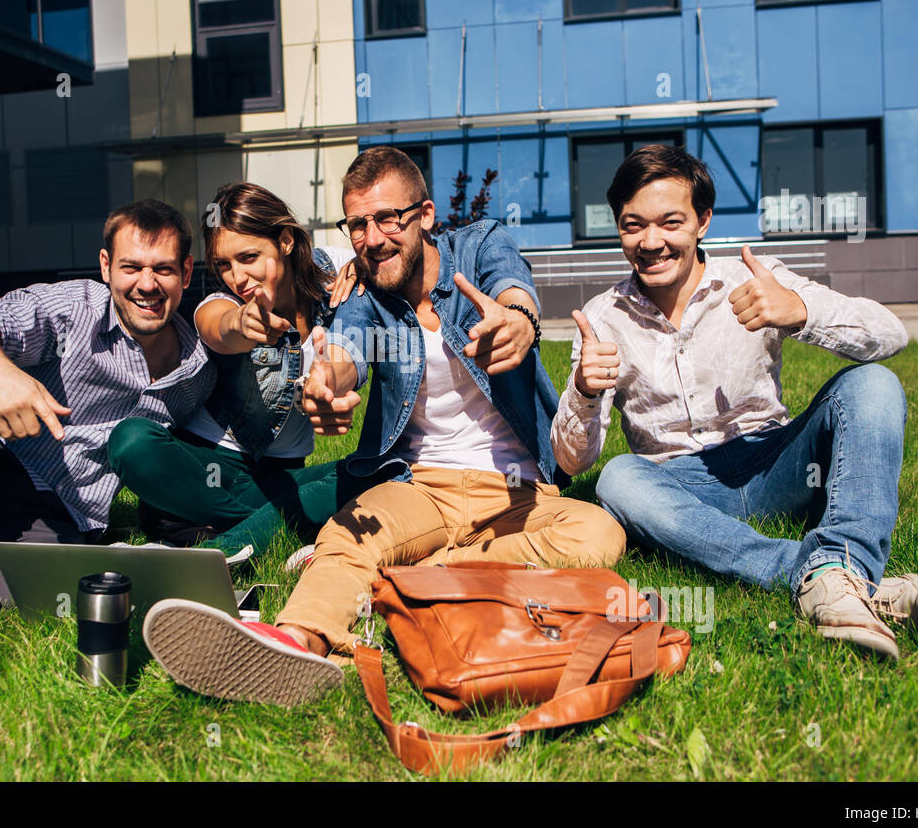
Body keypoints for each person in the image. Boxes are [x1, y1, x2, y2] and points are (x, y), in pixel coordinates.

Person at [142, 146, 627, 706]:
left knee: (600, 534)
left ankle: (420, 574)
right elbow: (346, 347)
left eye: (387, 219)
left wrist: (518, 319)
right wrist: (326, 380)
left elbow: (510, 281)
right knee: (347, 535)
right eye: (358, 226)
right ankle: (290, 641)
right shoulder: (369, 298)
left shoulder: (478, 245)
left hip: (521, 493)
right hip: (422, 487)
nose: (372, 238)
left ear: (424, 215)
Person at [549, 144, 918, 661]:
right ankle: (834, 579)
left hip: (777, 466)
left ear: (703, 221)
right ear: (618, 227)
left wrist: (802, 312)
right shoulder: (602, 316)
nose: (651, 242)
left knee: (874, 383)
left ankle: (838, 568)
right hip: (680, 488)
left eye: (670, 222)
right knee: (617, 479)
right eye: (633, 226)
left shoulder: (753, 278)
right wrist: (586, 392)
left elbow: (889, 333)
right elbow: (572, 462)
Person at [0, 198, 214, 685]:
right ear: (106, 266)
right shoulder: (71, 309)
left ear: (187, 272)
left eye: (163, 269)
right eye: (131, 267)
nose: (146, 284)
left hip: (66, 515)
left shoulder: (198, 368)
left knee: (72, 590)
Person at [107, 182, 389, 558]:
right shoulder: (221, 303)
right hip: (202, 468)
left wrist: (361, 267)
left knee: (381, 472)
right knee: (131, 441)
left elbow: (382, 255)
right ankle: (268, 530)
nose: (236, 277)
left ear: (286, 241)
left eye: (249, 257)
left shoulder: (332, 275)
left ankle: (220, 536)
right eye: (223, 264)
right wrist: (241, 324)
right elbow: (219, 327)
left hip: (279, 477)